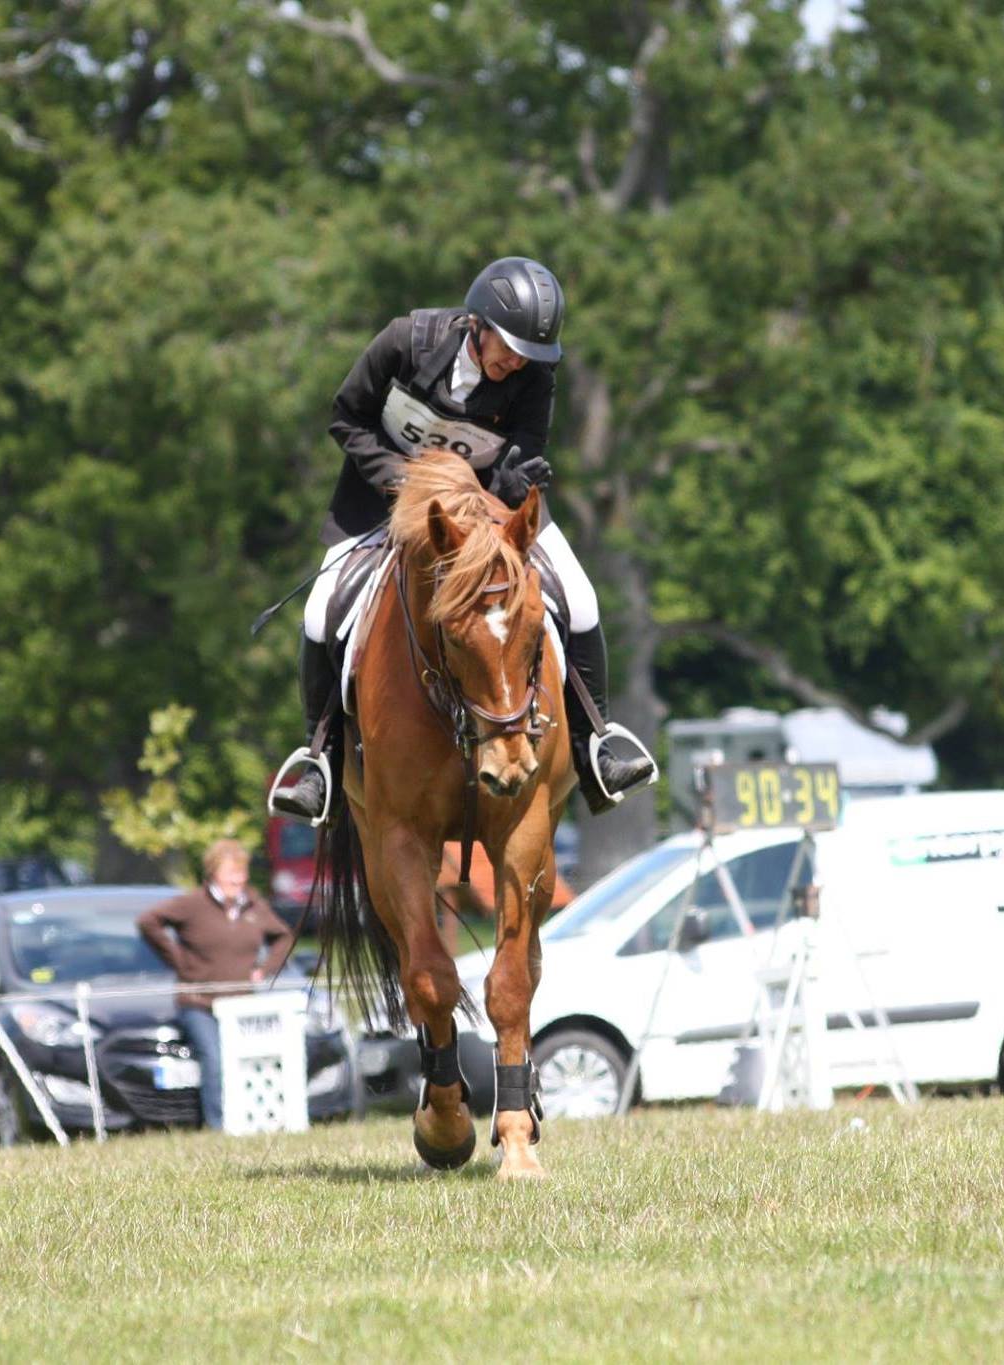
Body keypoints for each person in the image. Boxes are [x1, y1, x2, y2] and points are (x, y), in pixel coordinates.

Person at [271, 255, 656, 822]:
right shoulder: (405, 341)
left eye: (529, 356)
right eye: (509, 349)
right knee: (320, 614)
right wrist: (400, 479)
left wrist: (518, 478)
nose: (516, 363)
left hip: (488, 512)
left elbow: (520, 452)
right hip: (383, 503)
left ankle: (593, 745)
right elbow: (346, 417)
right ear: (477, 326)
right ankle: (321, 763)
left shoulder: (532, 376)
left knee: (580, 599)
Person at [136, 839, 294, 1130]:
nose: (238, 879)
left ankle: (254, 1121)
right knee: (215, 1058)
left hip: (240, 1004)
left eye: (241, 872)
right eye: (230, 872)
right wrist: (178, 959)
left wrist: (265, 969)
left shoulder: (254, 906)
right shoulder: (192, 904)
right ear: (213, 873)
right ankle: (218, 1125)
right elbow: (149, 921)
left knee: (246, 1062)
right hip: (199, 1003)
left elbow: (284, 936)